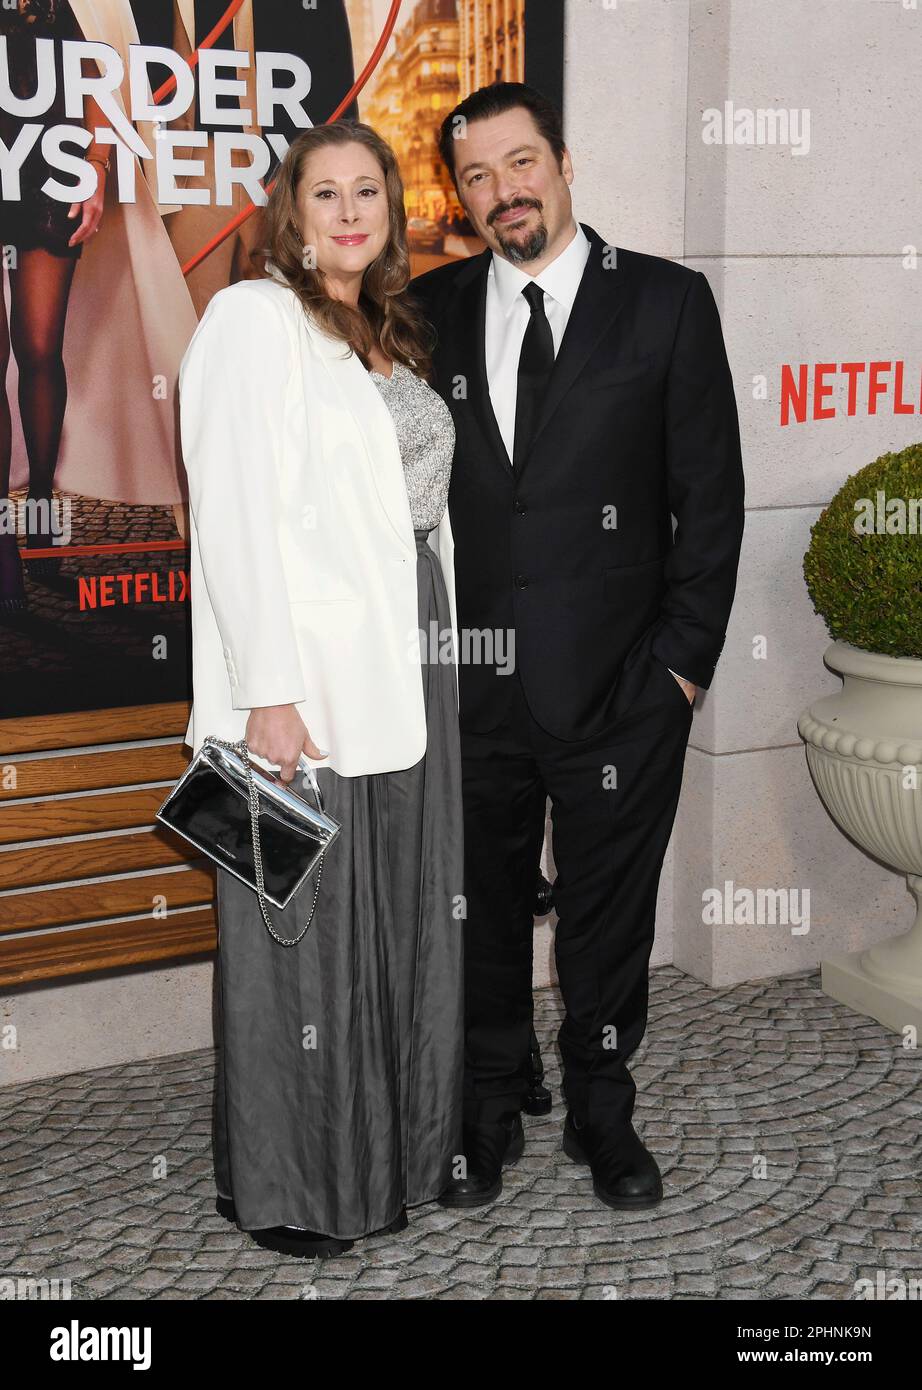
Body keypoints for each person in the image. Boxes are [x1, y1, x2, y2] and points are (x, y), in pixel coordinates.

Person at [410, 82, 745, 1211]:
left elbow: (711, 499)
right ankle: (490, 1102)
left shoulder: (662, 302)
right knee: (485, 904)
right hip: (474, 689)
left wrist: (681, 671)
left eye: (519, 164)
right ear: (458, 196)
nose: (503, 192)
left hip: (622, 688)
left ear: (562, 160)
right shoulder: (427, 310)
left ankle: (602, 1108)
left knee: (608, 912)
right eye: (476, 177)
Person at [177, 120, 464, 1257]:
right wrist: (271, 693)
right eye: (324, 193)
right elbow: (237, 522)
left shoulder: (379, 329)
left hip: (408, 661)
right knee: (298, 919)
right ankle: (298, 1181)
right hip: (307, 680)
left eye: (369, 192)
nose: (349, 212)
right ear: (287, 214)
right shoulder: (252, 321)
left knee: (392, 913)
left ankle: (389, 1154)